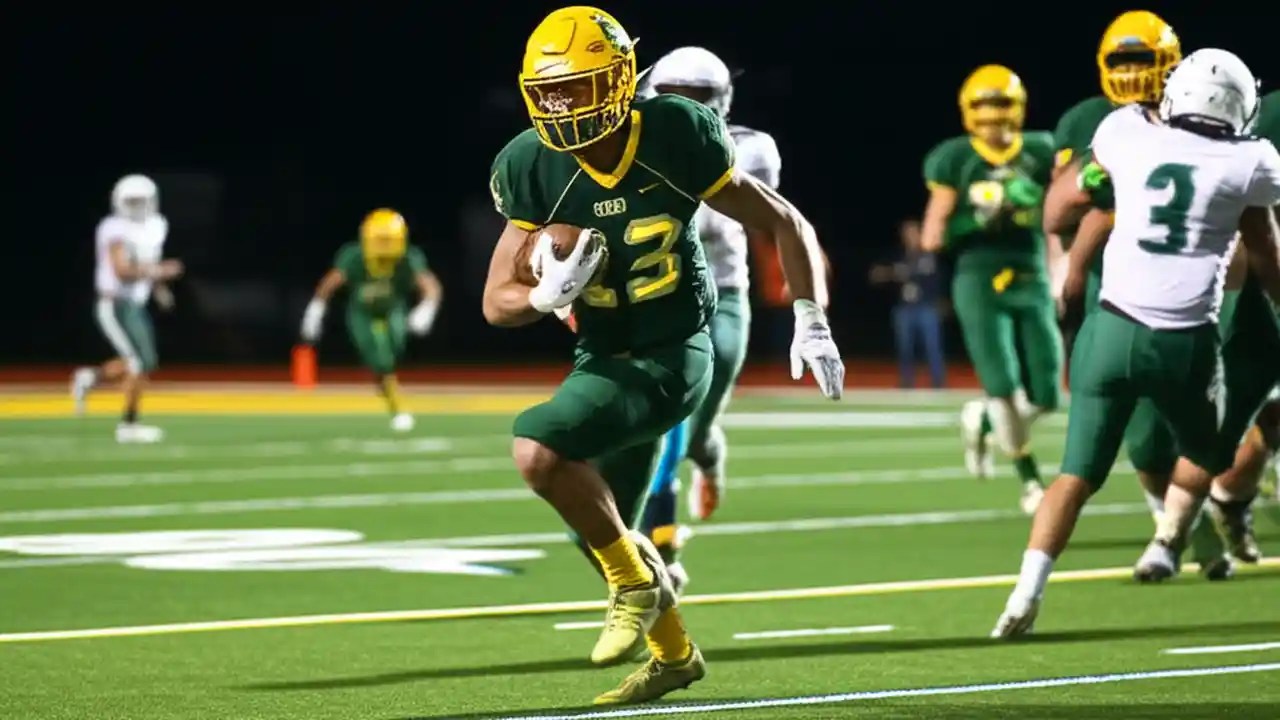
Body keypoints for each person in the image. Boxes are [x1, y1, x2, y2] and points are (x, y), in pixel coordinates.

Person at [483, 6, 843, 705]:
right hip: (603, 355)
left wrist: (810, 316)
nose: (560, 106)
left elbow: (783, 220)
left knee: (538, 450)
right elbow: (496, 299)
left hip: (675, 351)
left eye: (577, 87)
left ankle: (637, 585)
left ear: (619, 82)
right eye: (549, 92)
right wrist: (542, 293)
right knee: (600, 524)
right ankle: (674, 655)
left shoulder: (676, 134)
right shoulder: (530, 162)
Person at [993, 49, 1280, 637]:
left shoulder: (1124, 130)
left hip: (1109, 330)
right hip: (1185, 342)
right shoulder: (1251, 160)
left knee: (1075, 477)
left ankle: (1026, 593)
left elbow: (1066, 207)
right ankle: (1179, 531)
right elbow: (1269, 258)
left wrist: (1074, 266)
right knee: (1211, 450)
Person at [1045, 11, 1232, 578]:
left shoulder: (1197, 114)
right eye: (1121, 61)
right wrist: (1067, 266)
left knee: (1192, 427)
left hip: (1185, 289)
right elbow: (1061, 209)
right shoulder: (1087, 121)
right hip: (1113, 287)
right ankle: (1177, 534)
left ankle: (1193, 528)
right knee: (1144, 441)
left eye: (1140, 60)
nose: (1130, 73)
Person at [627, 46, 783, 589]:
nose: (685, 110)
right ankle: (663, 546)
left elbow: (722, 216)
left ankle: (711, 458)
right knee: (668, 421)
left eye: (697, 100)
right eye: (676, 99)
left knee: (695, 434)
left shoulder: (749, 149)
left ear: (720, 103)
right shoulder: (631, 149)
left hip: (724, 294)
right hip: (663, 302)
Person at [921, 64, 1063, 514]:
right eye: (984, 104)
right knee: (1001, 383)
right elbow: (932, 236)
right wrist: (980, 215)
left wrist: (1059, 273)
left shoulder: (1041, 151)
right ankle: (1030, 481)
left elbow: (1059, 221)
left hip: (1030, 272)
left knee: (1047, 393)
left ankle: (981, 418)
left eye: (1000, 103)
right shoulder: (956, 158)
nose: (993, 114)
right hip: (979, 277)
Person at [1203, 88, 1280, 564]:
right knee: (1243, 420)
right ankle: (1213, 507)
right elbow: (1254, 210)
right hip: (1262, 283)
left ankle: (1227, 502)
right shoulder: (1269, 116)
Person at [300, 209, 443, 432]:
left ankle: (385, 387)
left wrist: (427, 309)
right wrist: (315, 310)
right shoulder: (354, 256)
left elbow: (430, 285)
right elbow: (330, 283)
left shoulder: (408, 257)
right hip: (361, 312)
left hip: (393, 309)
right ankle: (398, 407)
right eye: (380, 240)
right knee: (381, 360)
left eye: (389, 240)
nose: (385, 246)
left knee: (393, 352)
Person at [72, 174, 184, 443]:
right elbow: (122, 270)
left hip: (135, 304)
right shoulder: (113, 228)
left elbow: (147, 263)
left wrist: (159, 288)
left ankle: (91, 378)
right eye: (131, 201)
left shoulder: (155, 226)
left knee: (146, 362)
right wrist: (161, 272)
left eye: (141, 201)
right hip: (115, 304)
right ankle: (129, 425)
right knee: (137, 362)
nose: (136, 207)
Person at [869, 219, 946, 389]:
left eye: (913, 233)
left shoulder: (929, 254)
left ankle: (938, 382)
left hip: (927, 306)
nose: (910, 237)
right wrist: (891, 273)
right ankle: (906, 382)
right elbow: (877, 274)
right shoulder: (898, 255)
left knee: (932, 348)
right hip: (904, 308)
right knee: (905, 348)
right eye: (906, 234)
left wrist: (898, 272)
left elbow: (932, 277)